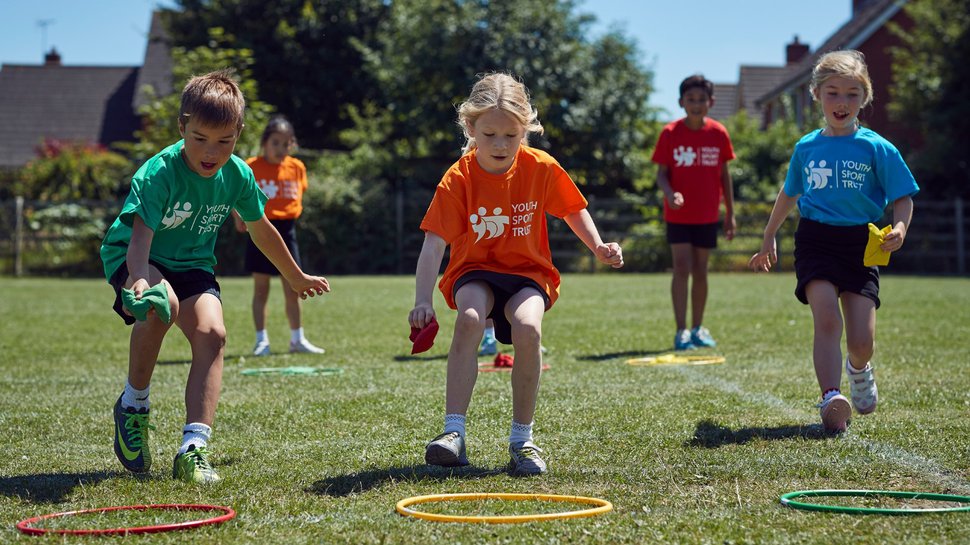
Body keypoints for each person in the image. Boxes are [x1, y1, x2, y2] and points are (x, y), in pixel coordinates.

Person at [100, 70, 330, 483]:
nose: (211, 152)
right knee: (161, 306)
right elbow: (139, 240)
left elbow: (261, 229)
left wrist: (294, 276)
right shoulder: (159, 173)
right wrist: (137, 279)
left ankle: (193, 448)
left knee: (213, 334)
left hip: (193, 265)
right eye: (200, 138)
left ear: (239, 133)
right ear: (182, 126)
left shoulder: (239, 174)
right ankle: (133, 405)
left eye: (224, 142)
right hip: (137, 257)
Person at [409, 73, 624, 476]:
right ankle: (453, 433)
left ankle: (522, 440)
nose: (501, 144)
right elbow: (434, 244)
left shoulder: (541, 167)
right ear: (471, 128)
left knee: (528, 330)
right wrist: (422, 300)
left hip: (528, 272)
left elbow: (572, 209)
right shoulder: (459, 176)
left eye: (511, 135)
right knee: (470, 319)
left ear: (524, 130)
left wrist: (597, 245)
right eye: (489, 134)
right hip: (476, 269)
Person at [748, 50, 918, 433]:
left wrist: (901, 228)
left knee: (861, 340)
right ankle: (830, 398)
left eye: (852, 94)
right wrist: (769, 235)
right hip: (815, 239)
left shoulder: (878, 148)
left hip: (861, 244)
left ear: (865, 97)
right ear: (816, 94)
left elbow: (903, 196)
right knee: (826, 318)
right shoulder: (806, 148)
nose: (842, 103)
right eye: (833, 93)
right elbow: (789, 193)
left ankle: (859, 368)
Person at [652, 74, 736, 351]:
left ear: (710, 102)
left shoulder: (718, 133)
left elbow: (725, 176)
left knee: (701, 270)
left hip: (708, 215)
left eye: (701, 99)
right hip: (678, 215)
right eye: (691, 99)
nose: (696, 104)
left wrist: (730, 214)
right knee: (682, 267)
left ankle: (698, 328)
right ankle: (681, 331)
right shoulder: (670, 133)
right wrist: (669, 193)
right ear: (681, 102)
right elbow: (661, 175)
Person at [232, 115, 325, 356]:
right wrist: (238, 217)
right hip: (260, 228)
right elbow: (233, 194)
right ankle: (261, 340)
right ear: (264, 143)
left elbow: (297, 196)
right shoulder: (251, 166)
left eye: (286, 144)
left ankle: (297, 339)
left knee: (294, 287)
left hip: (287, 230)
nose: (281, 149)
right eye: (275, 143)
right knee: (261, 289)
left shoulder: (297, 167)